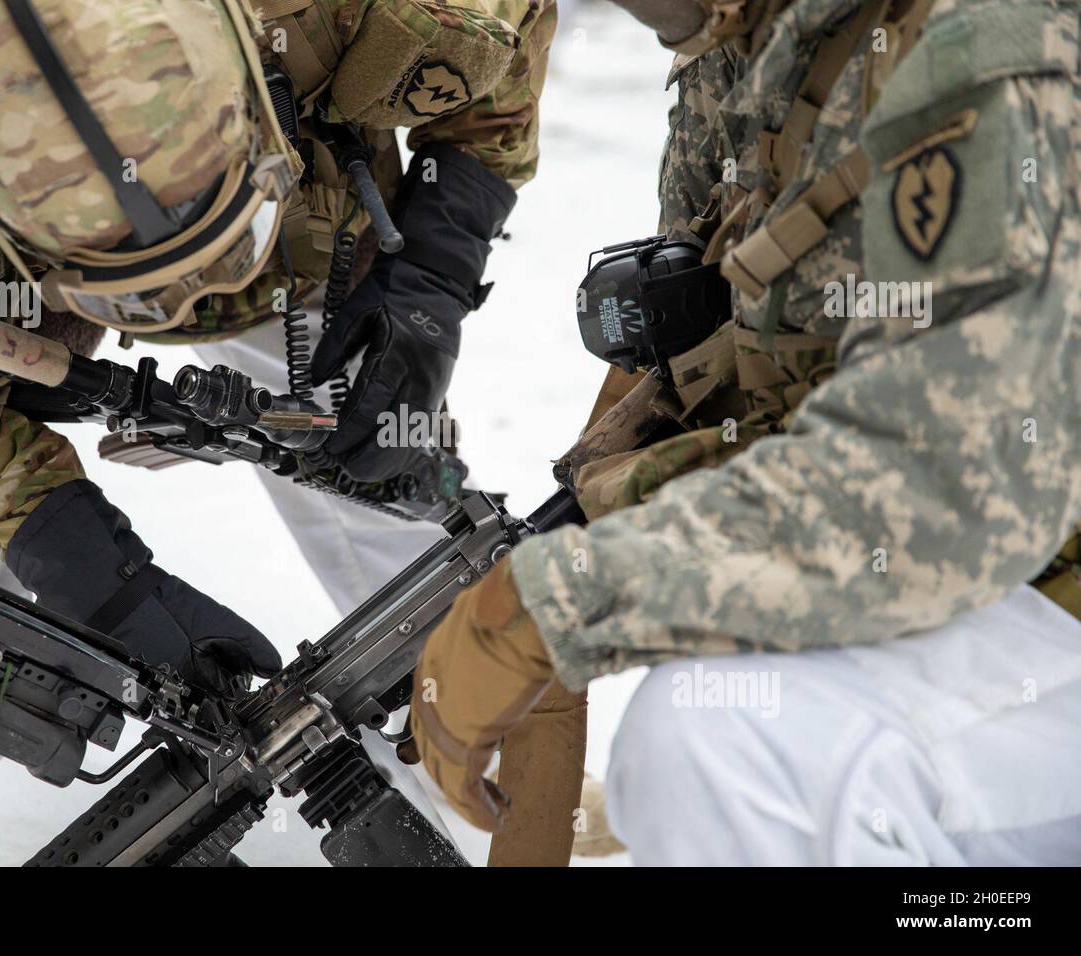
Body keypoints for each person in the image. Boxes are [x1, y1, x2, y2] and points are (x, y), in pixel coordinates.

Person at [0, 0, 555, 866]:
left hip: (300, 232)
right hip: (15, 294)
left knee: (397, 485)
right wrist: (85, 566)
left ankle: (488, 770)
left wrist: (433, 275)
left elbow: (502, 48)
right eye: (145, 293)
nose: (183, 314)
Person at [409, 0, 1081, 864]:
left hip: (1023, 575)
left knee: (719, 741)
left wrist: (556, 607)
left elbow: (940, 489)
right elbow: (707, 355)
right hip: (999, 592)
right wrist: (572, 530)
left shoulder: (978, 49)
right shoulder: (746, 50)